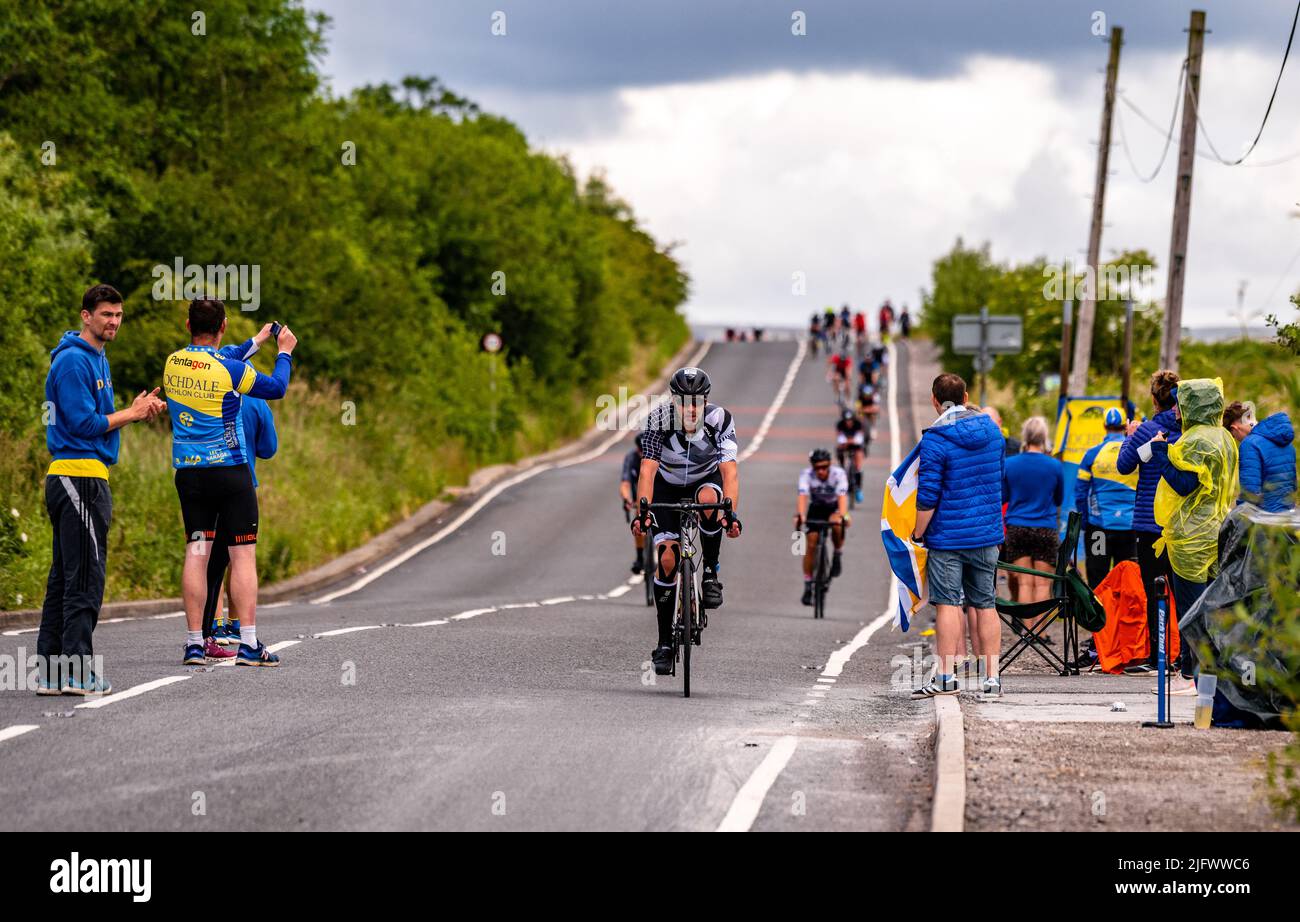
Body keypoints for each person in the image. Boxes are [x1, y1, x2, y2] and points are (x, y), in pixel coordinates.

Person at [37, 284, 166, 697]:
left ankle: (52, 673)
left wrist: (134, 409)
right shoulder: (75, 362)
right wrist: (132, 413)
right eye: (106, 314)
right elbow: (82, 424)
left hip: (83, 475)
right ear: (85, 316)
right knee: (85, 580)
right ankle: (75, 672)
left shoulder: (97, 358)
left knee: (65, 577)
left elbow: (99, 419)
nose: (113, 322)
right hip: (79, 478)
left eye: (118, 315)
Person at [163, 300, 296, 668]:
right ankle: (249, 644)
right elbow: (276, 388)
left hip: (189, 473)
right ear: (223, 326)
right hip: (230, 470)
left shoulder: (173, 363)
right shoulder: (232, 370)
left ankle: (194, 643)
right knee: (242, 556)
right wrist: (283, 352)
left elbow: (218, 357)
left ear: (188, 324)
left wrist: (257, 339)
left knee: (197, 552)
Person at [632, 367, 742, 675]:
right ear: (673, 401)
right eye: (683, 401)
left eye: (696, 401)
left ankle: (709, 573)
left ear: (705, 400)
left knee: (710, 500)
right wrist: (643, 512)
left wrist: (730, 513)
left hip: (704, 481)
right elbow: (648, 470)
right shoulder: (657, 420)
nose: (690, 408)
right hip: (666, 484)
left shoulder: (720, 420)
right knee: (667, 558)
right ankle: (665, 643)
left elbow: (730, 472)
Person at [910, 373, 1006, 698]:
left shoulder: (936, 439)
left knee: (948, 604)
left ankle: (947, 676)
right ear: (966, 397)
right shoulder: (993, 431)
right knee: (986, 603)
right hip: (987, 535)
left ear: (936, 401)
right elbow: (998, 479)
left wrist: (918, 532)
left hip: (948, 539)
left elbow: (928, 495)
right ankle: (992, 678)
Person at [1151, 378, 1239, 694]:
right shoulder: (1225, 438)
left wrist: (1161, 452)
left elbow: (1185, 484)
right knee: (1213, 610)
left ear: (1193, 405)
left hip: (1192, 537)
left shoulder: (1196, 440)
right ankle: (1210, 676)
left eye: (1182, 402)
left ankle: (1192, 676)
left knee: (1191, 611)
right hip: (1219, 532)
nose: (1177, 409)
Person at [204, 394, 279, 652]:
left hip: (203, 479)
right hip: (242, 483)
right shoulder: (257, 400)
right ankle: (236, 624)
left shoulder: (204, 392)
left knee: (207, 556)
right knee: (240, 555)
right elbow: (269, 449)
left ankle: (213, 626)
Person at [1117, 370, 1181, 674]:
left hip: (1148, 521)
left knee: (1153, 589)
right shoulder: (1189, 432)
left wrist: (1132, 437)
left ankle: (1160, 656)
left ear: (1154, 398)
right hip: (1182, 524)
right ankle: (1186, 658)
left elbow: (1124, 465)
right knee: (1182, 591)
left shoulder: (1146, 430)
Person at [1002, 418, 1065, 640]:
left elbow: (1005, 496)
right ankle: (1041, 631)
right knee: (1042, 583)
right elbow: (1059, 499)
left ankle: (1026, 631)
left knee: (1024, 581)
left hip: (1017, 528)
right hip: (1045, 529)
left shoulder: (1010, 464)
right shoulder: (1055, 466)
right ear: (1044, 438)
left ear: (1025, 436)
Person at [1076, 408, 1137, 588]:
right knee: (1129, 580)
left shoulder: (1092, 454)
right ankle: (1125, 616)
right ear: (1125, 425)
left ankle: (1100, 616)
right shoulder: (1134, 452)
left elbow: (1080, 493)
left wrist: (1086, 522)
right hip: (1129, 528)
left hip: (1099, 529)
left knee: (1097, 578)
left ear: (1104, 426)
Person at [795, 448, 850, 604]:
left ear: (830, 465)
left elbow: (842, 498)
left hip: (834, 507)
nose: (821, 471)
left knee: (839, 525)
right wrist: (800, 515)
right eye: (817, 468)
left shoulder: (838, 474)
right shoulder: (806, 475)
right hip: (817, 508)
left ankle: (838, 553)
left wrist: (842, 515)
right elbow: (803, 497)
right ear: (812, 467)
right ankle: (807, 584)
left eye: (824, 467)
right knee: (811, 542)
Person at [1228, 401, 1295, 511]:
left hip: (1265, 518)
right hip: (1288, 513)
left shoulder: (1249, 444)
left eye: (1234, 436)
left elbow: (1250, 494)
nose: (1237, 440)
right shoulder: (1284, 440)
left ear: (1235, 428)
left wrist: (1237, 513)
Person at [620, 434, 646, 574]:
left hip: (659, 491)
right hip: (639, 495)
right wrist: (627, 499)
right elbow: (625, 484)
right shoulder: (631, 458)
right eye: (641, 451)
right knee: (639, 514)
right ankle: (640, 557)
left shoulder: (659, 454)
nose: (643, 455)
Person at [834, 408, 867, 502]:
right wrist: (847, 442)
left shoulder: (858, 424)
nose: (848, 423)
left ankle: (858, 489)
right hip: (845, 446)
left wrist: (849, 441)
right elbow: (840, 439)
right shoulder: (840, 425)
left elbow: (859, 439)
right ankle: (842, 466)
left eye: (850, 420)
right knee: (839, 450)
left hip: (856, 446)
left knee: (858, 464)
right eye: (846, 421)